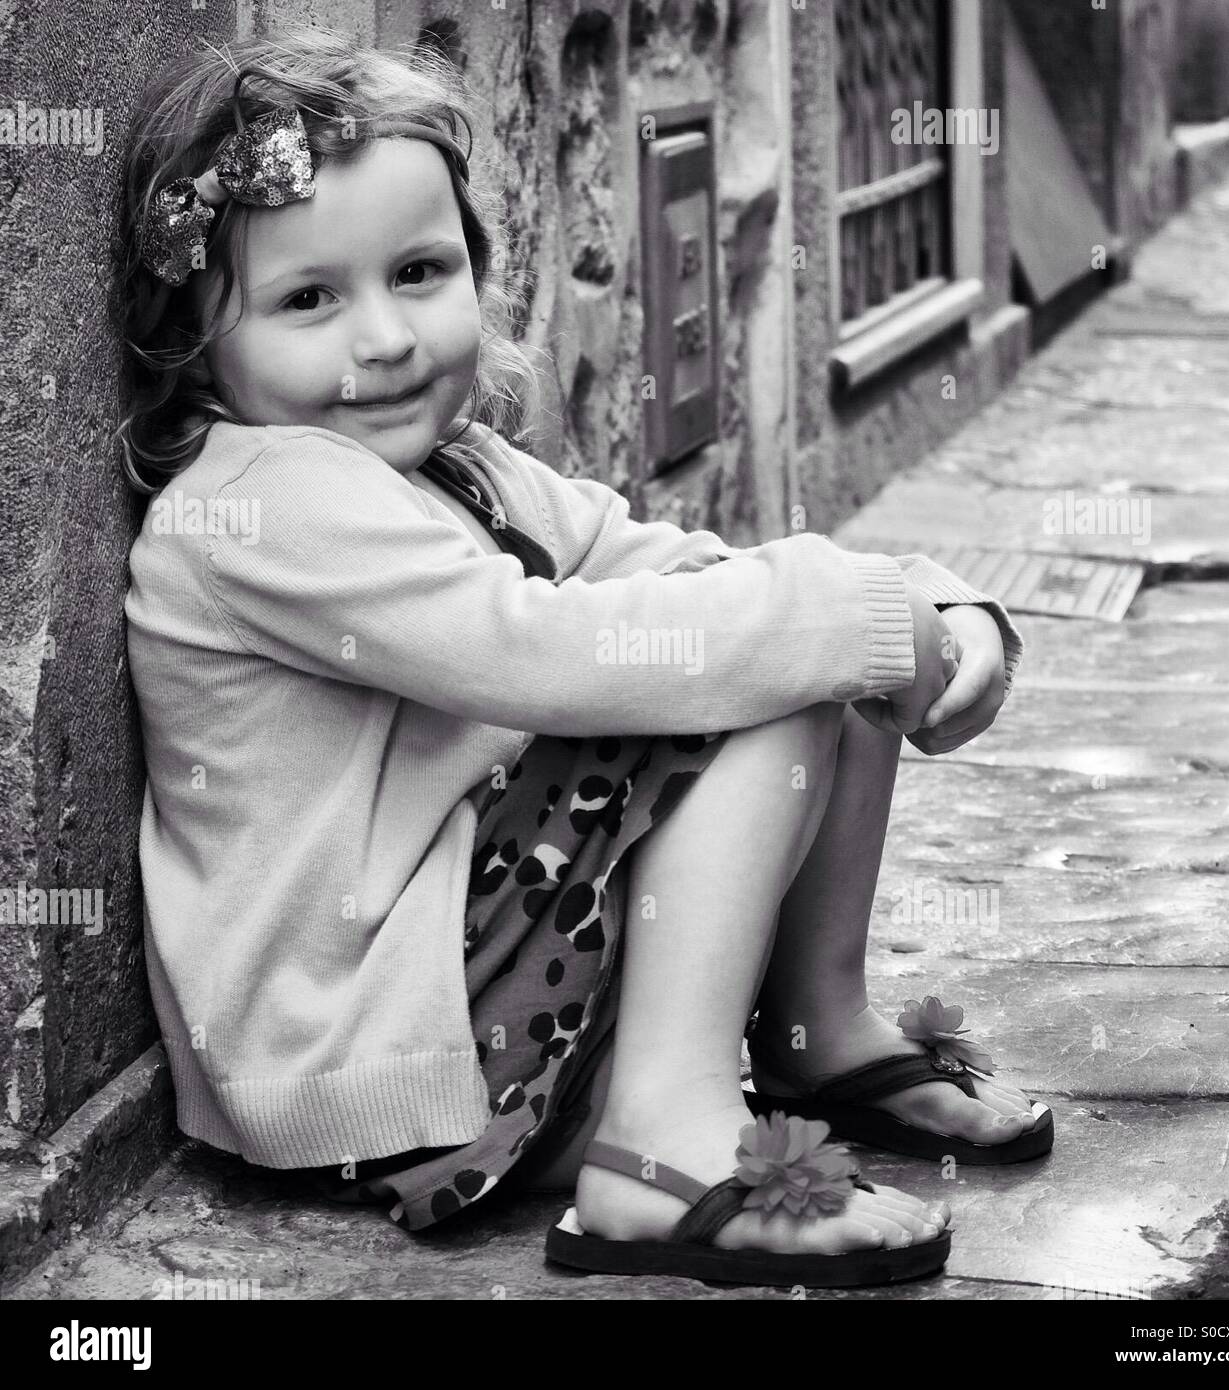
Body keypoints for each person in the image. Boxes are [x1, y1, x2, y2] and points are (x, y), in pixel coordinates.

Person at [118, 28, 1048, 1290]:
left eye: (418, 270)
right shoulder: (262, 502)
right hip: (375, 1066)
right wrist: (869, 620)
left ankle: (809, 1033)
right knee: (764, 655)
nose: (384, 339)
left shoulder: (454, 466)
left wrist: (933, 606)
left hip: (488, 1025)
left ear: (478, 268)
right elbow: (544, 656)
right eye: (307, 299)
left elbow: (675, 567)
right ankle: (658, 1152)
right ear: (195, 338)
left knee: (778, 619)